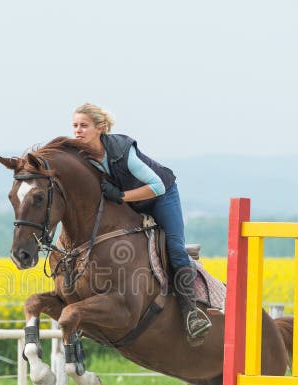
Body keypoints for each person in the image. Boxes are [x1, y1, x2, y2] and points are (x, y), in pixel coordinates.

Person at [71, 102, 210, 345]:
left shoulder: (122, 150)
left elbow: (155, 186)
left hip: (161, 197)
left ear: (100, 128)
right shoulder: (82, 157)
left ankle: (191, 314)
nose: (77, 131)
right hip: (132, 203)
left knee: (175, 249)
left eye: (84, 126)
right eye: (74, 126)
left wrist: (122, 196)